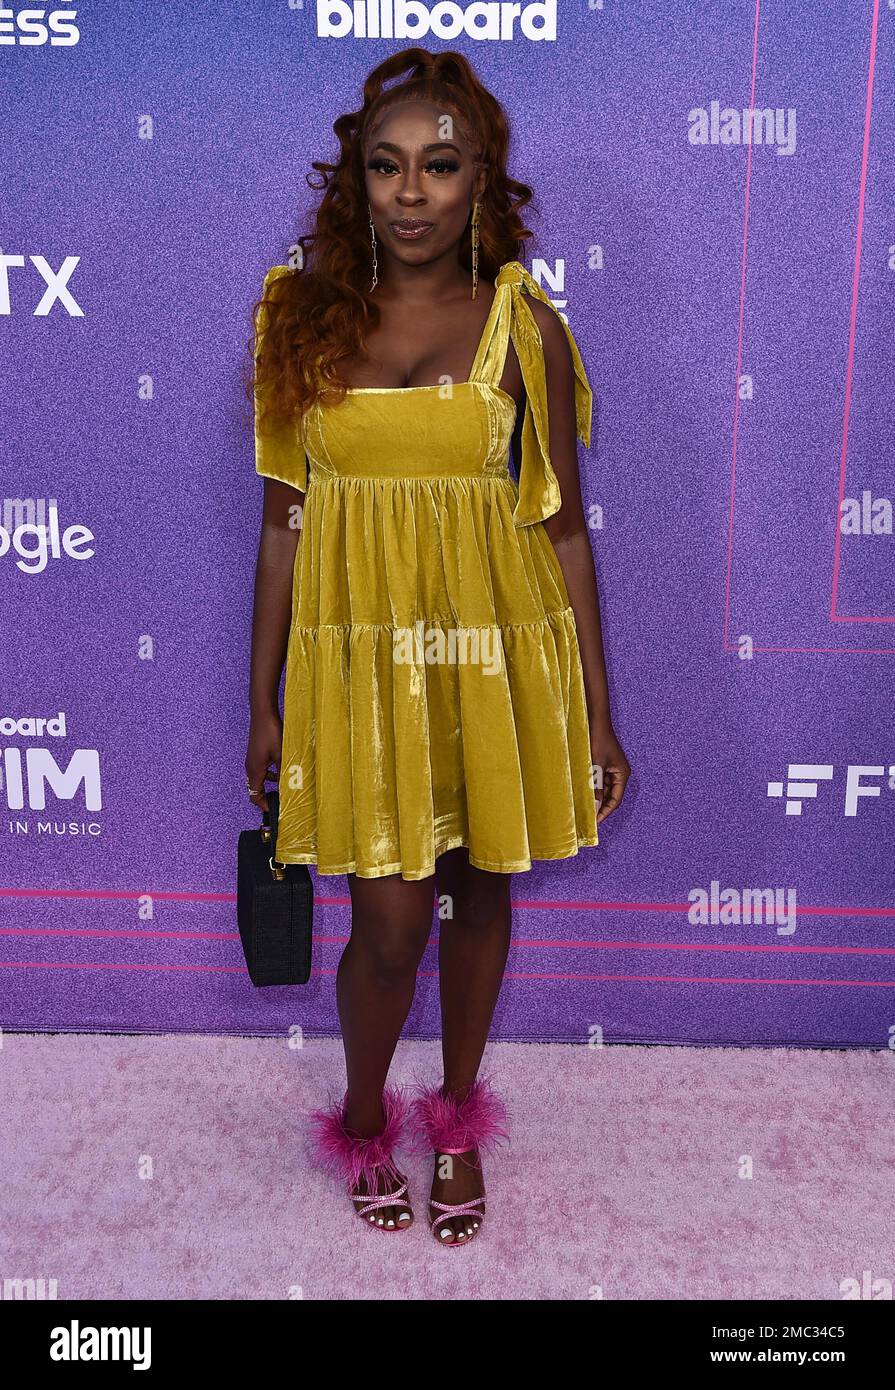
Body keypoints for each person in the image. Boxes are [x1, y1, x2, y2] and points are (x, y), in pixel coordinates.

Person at [246, 47, 631, 1247]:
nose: (411, 193)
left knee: (477, 894)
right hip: (359, 668)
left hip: (495, 651)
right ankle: (364, 1114)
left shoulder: (524, 327)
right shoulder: (295, 317)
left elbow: (562, 534)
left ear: (480, 181)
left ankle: (457, 1118)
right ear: (355, 182)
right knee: (390, 924)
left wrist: (598, 718)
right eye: (386, 167)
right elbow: (281, 527)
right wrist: (261, 704)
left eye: (439, 167)